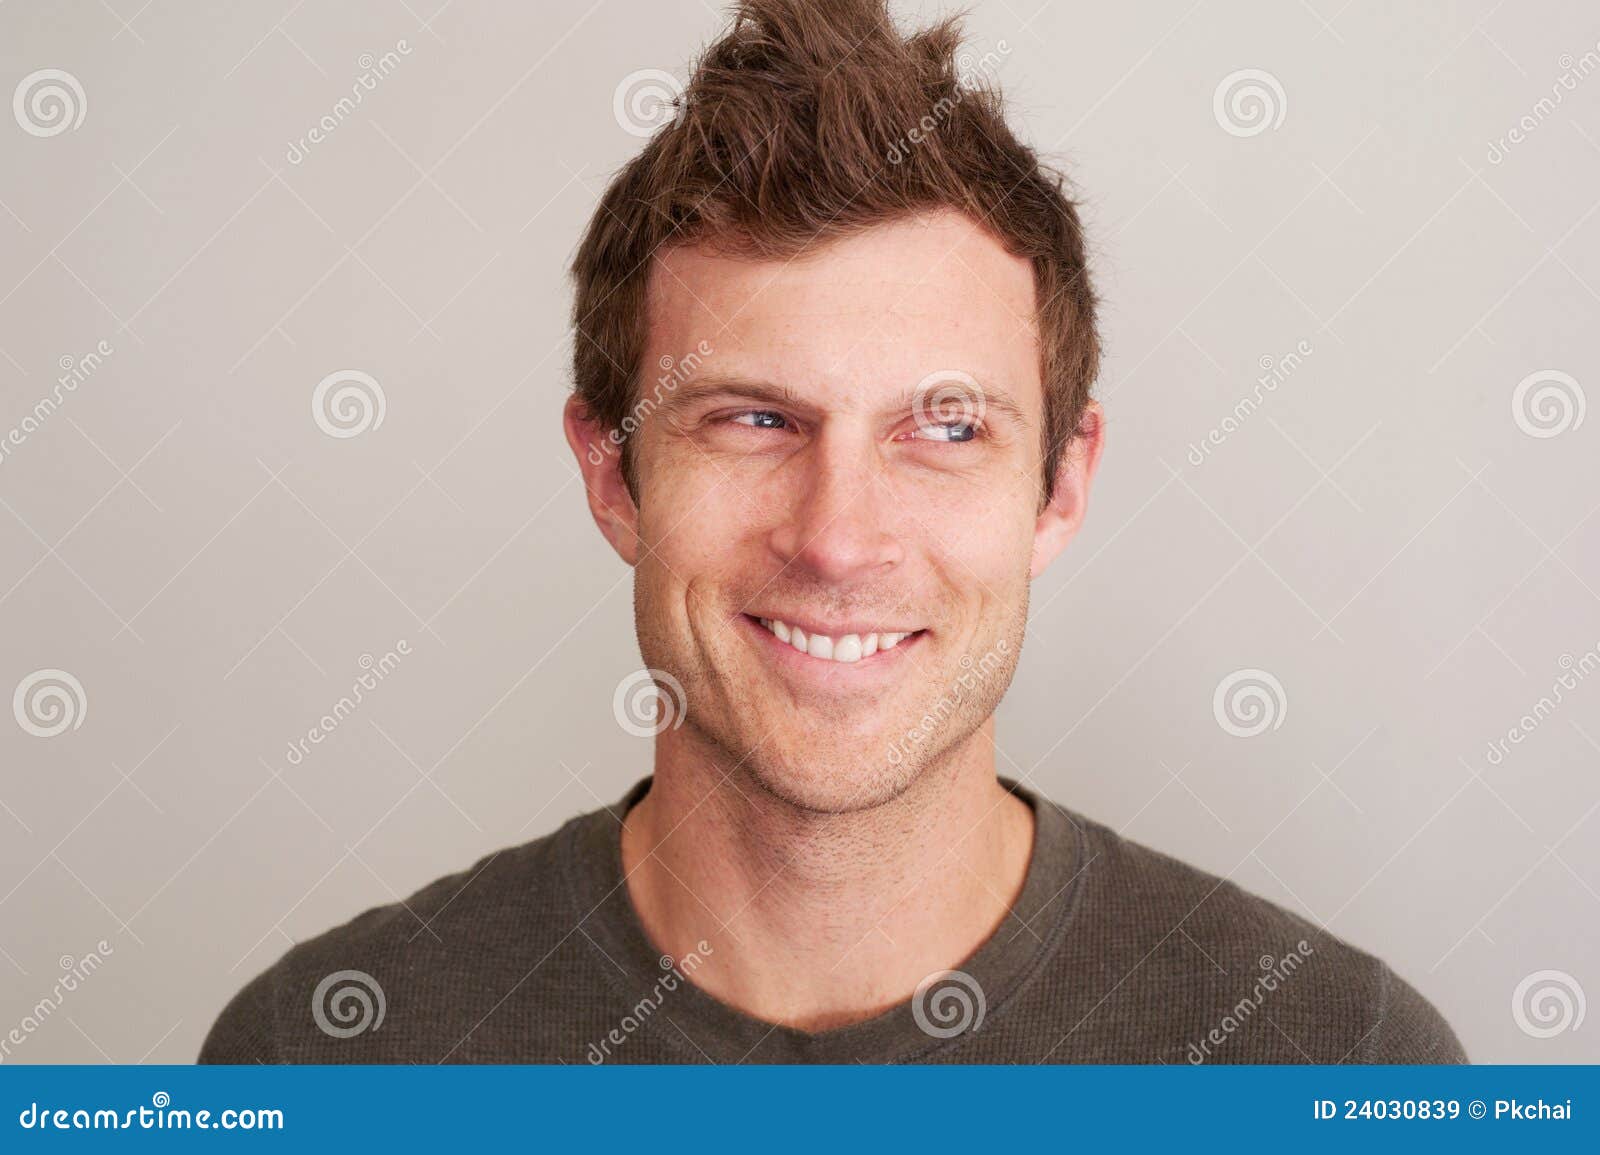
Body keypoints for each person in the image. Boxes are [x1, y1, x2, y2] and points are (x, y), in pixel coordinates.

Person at [200, 0, 1465, 1065]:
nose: (838, 539)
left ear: (1060, 487)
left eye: (948, 428)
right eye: (754, 419)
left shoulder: (1336, 1058)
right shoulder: (323, 1057)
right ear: (612, 474)